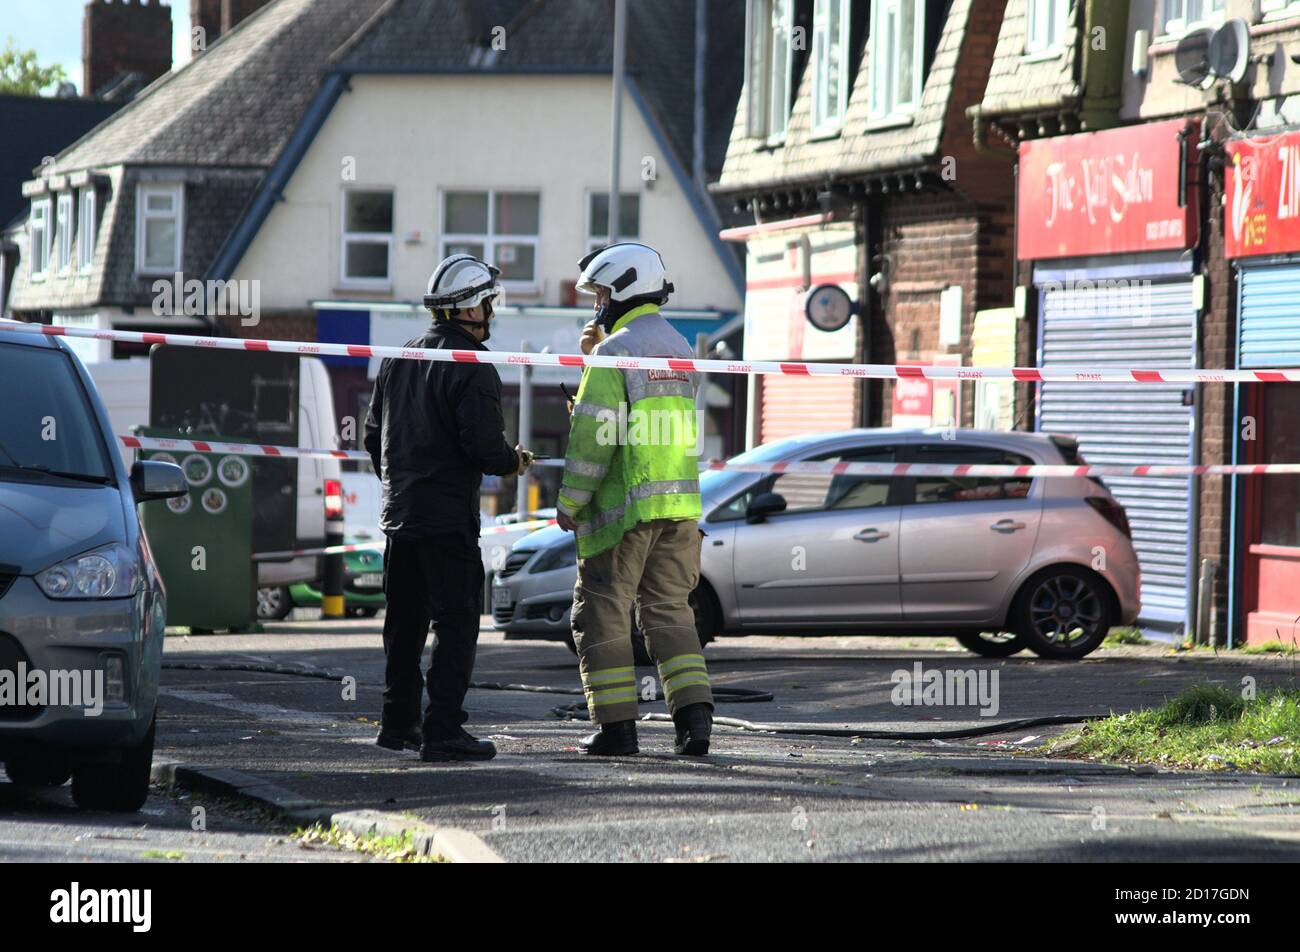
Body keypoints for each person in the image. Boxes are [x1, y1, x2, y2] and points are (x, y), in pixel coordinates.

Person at [363, 253, 532, 762]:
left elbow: (374, 437)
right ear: (470, 308)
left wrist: (400, 485)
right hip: (447, 522)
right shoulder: (472, 366)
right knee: (457, 622)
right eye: (488, 302)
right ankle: (443, 732)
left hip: (401, 519)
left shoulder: (399, 358)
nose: (492, 312)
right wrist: (513, 461)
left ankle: (397, 725)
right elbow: (484, 447)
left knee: (404, 623)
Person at [555, 243, 714, 757]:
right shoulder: (681, 350)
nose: (597, 302)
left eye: (601, 292)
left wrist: (570, 504)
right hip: (681, 509)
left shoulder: (612, 353)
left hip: (624, 514)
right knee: (671, 614)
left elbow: (595, 441)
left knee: (602, 612)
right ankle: (694, 727)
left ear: (622, 287)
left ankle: (616, 730)